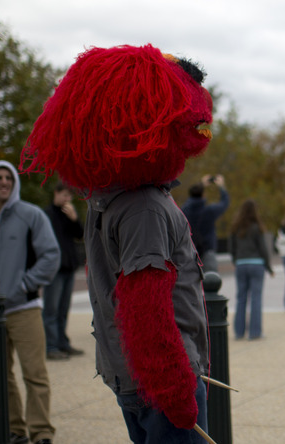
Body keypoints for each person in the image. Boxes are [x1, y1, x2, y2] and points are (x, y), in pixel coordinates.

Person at [21, 45, 216, 443]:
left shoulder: (106, 199)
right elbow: (146, 307)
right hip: (160, 385)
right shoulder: (144, 206)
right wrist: (176, 390)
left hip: (131, 375)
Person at [0, 160, 60, 444]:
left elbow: (51, 255)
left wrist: (25, 285)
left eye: (9, 178)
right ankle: (15, 429)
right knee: (0, 376)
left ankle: (41, 433)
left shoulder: (31, 215)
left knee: (35, 374)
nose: (4, 182)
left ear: (14, 183)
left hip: (24, 309)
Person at [42, 182, 85, 360]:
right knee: (51, 309)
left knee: (63, 309)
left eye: (70, 196)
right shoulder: (46, 215)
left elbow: (80, 235)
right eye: (65, 195)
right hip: (53, 269)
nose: (68, 199)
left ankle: (62, 343)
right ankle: (51, 346)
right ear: (56, 193)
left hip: (68, 266)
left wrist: (74, 219)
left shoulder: (69, 214)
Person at [230, 199, 274, 340]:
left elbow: (231, 248)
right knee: (256, 298)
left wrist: (236, 261)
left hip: (241, 264)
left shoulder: (235, 228)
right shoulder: (256, 227)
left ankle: (239, 332)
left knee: (241, 298)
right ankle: (255, 332)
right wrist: (269, 267)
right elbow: (263, 249)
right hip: (256, 264)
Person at [181, 174, 230, 273]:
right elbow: (224, 203)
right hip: (207, 250)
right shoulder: (209, 211)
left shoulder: (185, 211)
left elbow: (189, 202)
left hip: (190, 250)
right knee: (210, 278)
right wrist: (222, 187)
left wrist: (201, 185)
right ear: (203, 195)